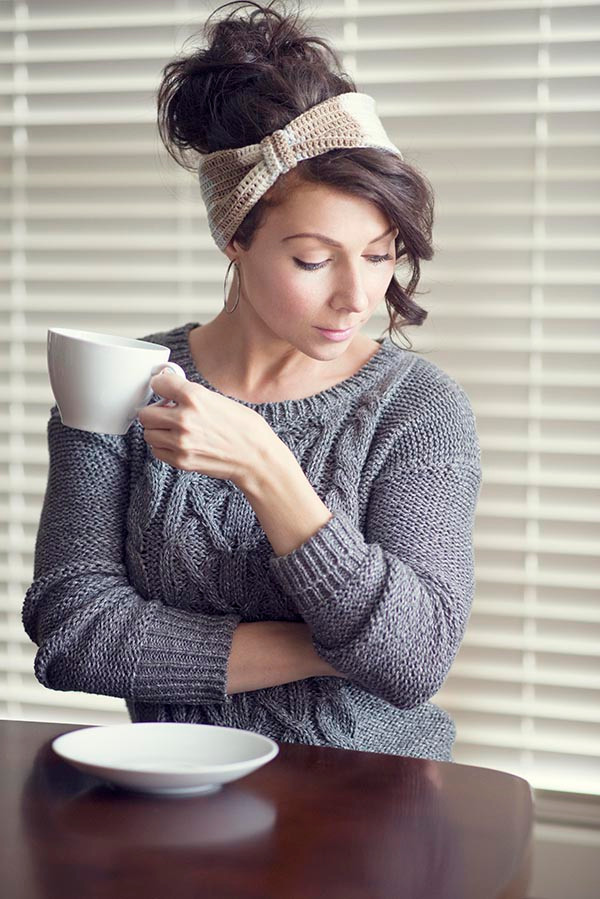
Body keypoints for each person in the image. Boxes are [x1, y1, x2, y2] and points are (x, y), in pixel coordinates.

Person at [22, 0, 482, 761]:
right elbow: (75, 633)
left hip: (368, 797)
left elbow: (414, 661)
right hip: (170, 791)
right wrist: (332, 645)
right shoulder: (120, 381)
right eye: (312, 258)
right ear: (234, 239)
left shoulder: (416, 408)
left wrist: (266, 468)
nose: (358, 296)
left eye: (379, 253)